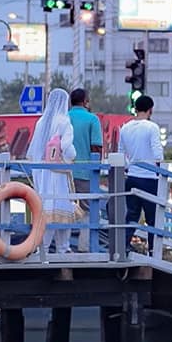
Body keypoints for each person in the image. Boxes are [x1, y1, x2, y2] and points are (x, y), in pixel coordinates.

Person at [27, 87, 77, 254]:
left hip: (41, 172)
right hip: (58, 172)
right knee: (62, 207)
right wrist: (72, 157)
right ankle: (63, 248)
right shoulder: (64, 121)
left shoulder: (41, 121)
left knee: (45, 207)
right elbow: (66, 147)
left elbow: (34, 149)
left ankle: (43, 249)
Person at [118, 94, 164, 253]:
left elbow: (121, 153)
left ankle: (124, 244)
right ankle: (153, 249)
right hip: (150, 178)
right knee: (153, 218)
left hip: (132, 177)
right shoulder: (152, 127)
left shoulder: (125, 127)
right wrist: (160, 169)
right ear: (150, 110)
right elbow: (158, 154)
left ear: (135, 109)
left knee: (131, 214)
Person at [68, 88, 103, 251]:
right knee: (87, 210)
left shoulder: (63, 118)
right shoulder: (92, 119)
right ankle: (84, 247)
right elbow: (96, 147)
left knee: (64, 209)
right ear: (85, 102)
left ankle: (63, 247)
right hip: (85, 172)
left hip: (64, 172)